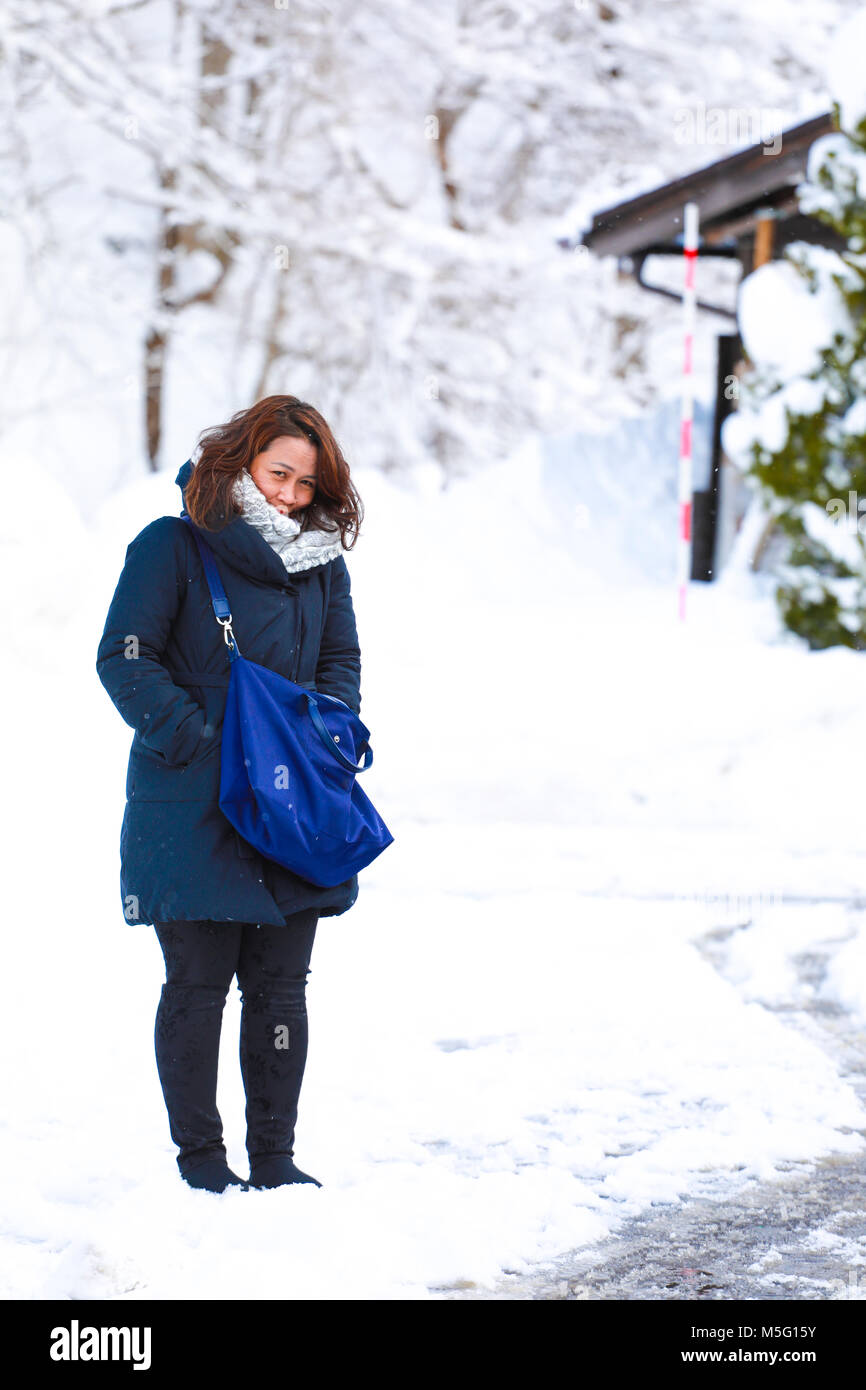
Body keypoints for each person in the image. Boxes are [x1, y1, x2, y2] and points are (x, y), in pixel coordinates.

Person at [96, 395, 365, 1194]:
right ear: (241, 461)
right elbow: (125, 658)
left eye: (306, 484)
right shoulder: (171, 546)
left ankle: (276, 1163)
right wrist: (202, 743)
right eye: (278, 473)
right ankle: (204, 1166)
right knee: (197, 985)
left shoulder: (324, 566)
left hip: (293, 808)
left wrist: (323, 737)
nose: (289, 494)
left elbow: (340, 663)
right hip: (193, 806)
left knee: (282, 987)